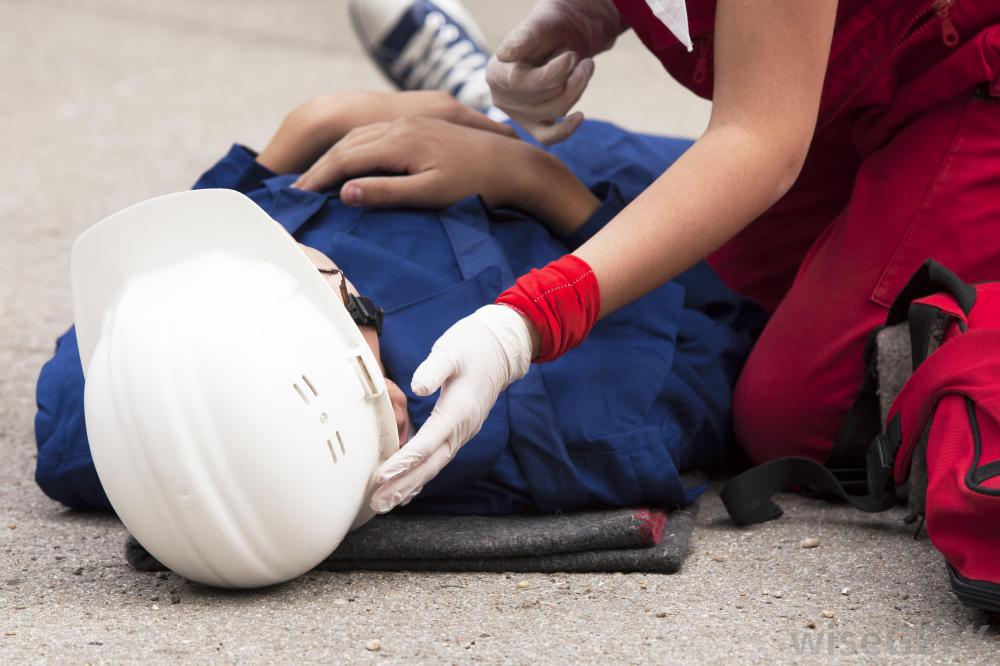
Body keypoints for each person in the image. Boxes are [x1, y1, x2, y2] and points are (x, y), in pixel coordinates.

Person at [356, 0, 1000, 513]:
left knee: (796, 416)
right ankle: (507, 128)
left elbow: (758, 141)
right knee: (705, 294)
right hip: (842, 83)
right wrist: (597, 10)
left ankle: (519, 140)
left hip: (964, 80)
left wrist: (525, 323)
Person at [34, 89, 762, 516]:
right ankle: (476, 96)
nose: (296, 257)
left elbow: (181, 252)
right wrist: (537, 180)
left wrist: (309, 129)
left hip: (396, 149)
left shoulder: (97, 415)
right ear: (385, 400)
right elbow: (720, 307)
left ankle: (454, 95)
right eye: (334, 300)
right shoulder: (579, 426)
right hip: (591, 201)